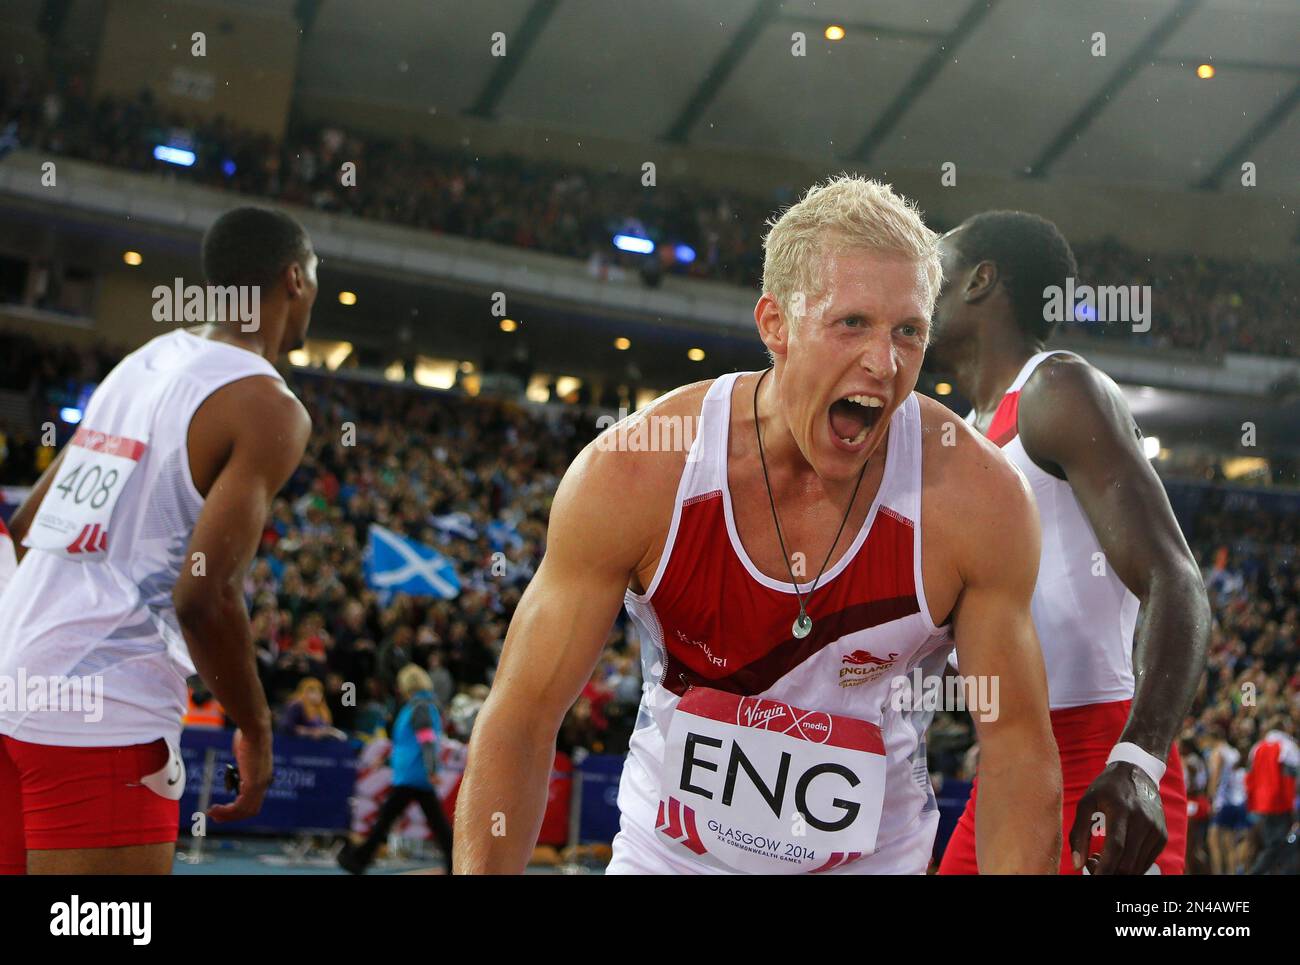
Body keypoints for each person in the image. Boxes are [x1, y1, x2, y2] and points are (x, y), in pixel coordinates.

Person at [454, 175, 1062, 875]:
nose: (883, 362)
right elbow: (524, 715)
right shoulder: (639, 471)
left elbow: (1016, 747)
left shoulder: (978, 499)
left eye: (908, 331)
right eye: (852, 323)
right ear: (774, 324)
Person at [0, 206, 317, 874]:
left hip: (14, 688)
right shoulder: (269, 406)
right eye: (315, 275)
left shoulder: (146, 360)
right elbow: (203, 595)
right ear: (294, 278)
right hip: (103, 716)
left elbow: (28, 523)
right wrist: (256, 728)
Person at [928, 211, 1210, 875]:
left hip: (1102, 757)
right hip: (1009, 764)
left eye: (931, 270)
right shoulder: (959, 439)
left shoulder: (1056, 389)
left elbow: (1177, 579)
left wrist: (1138, 759)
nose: (917, 285)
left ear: (980, 281)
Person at [338, 665, 454, 874]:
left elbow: (427, 740)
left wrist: (431, 769)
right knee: (433, 823)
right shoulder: (419, 705)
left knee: (387, 819)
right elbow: (407, 742)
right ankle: (361, 858)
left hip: (413, 774)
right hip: (413, 773)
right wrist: (385, 761)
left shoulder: (420, 706)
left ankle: (360, 858)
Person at [1245, 715, 1299, 874]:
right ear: (1285, 728)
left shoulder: (1257, 747)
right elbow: (1291, 778)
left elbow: (1249, 777)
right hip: (1282, 802)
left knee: (1274, 842)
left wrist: (1253, 801)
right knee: (1281, 844)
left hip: (1261, 804)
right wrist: (1293, 807)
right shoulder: (1288, 746)